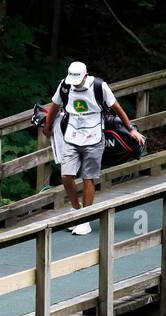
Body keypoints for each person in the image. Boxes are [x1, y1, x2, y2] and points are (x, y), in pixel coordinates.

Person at [42, 61, 145, 235]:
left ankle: (85, 218)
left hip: (94, 137)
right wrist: (48, 126)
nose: (76, 84)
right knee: (66, 175)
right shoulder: (65, 86)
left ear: (86, 75)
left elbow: (117, 108)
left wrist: (131, 130)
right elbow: (54, 106)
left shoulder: (99, 86)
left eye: (79, 80)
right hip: (72, 136)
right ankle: (76, 210)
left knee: (88, 177)